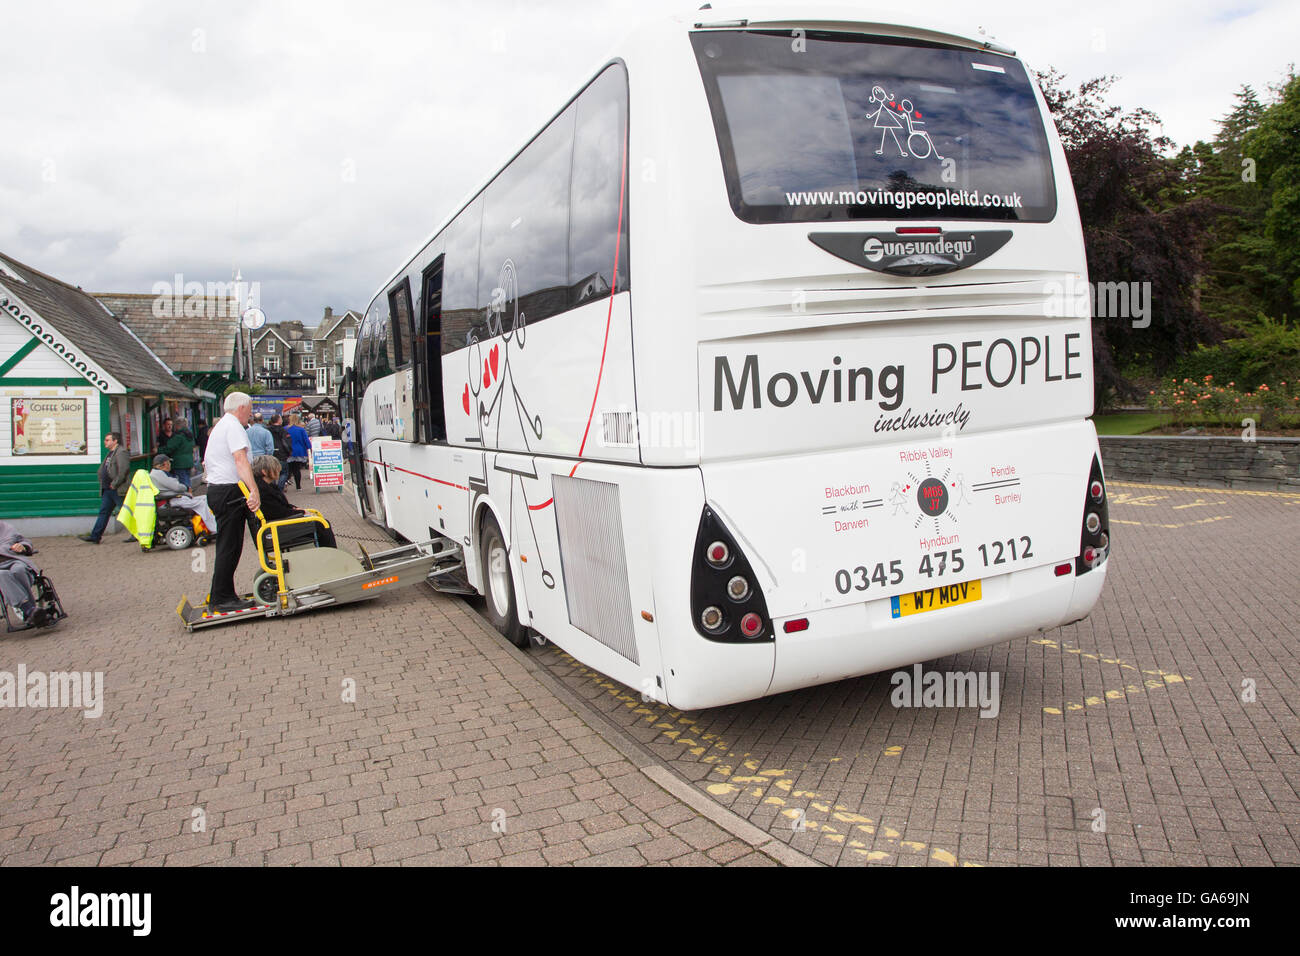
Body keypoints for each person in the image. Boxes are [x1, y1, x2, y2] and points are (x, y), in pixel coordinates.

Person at [203, 392, 261, 611]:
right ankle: (221, 598)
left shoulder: (222, 426)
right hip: (229, 491)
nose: (251, 413)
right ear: (242, 408)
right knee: (230, 546)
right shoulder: (234, 426)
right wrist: (253, 490)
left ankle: (223, 593)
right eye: (250, 409)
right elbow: (240, 459)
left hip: (220, 489)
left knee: (230, 545)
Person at [251, 455, 337, 550]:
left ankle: (328, 553)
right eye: (275, 468)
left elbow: (280, 508)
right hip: (278, 528)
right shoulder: (263, 490)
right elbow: (278, 512)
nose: (279, 470)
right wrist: (301, 512)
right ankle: (331, 554)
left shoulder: (263, 486)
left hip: (277, 524)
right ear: (264, 471)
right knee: (321, 524)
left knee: (320, 523)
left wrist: (295, 509)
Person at [0, 519, 56, 628]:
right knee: (2, 575)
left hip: (14, 560)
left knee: (19, 570)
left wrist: (23, 546)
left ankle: (30, 612)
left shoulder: (5, 527)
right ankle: (29, 610)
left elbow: (24, 541)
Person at [79, 432, 131, 544]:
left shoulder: (121, 452)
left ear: (115, 441)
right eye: (105, 440)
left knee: (126, 511)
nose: (105, 442)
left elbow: (123, 470)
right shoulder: (110, 453)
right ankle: (95, 536)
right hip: (107, 489)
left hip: (117, 489)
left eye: (107, 440)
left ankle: (137, 533)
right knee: (104, 512)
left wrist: (115, 483)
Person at [149, 454, 217, 534]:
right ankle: (214, 529)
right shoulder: (158, 474)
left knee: (204, 498)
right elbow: (177, 487)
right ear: (164, 464)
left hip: (173, 498)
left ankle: (210, 526)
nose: (170, 465)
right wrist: (185, 488)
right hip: (171, 501)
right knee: (201, 503)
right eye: (168, 463)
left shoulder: (158, 474)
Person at [161, 417, 197, 489]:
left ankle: (186, 497)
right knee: (187, 481)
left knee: (182, 483)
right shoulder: (189, 435)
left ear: (177, 426)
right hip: (188, 462)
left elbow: (169, 448)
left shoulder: (179, 436)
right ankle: (189, 494)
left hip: (180, 463)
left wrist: (158, 450)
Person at [285, 413, 310, 491]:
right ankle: (298, 486)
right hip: (299, 451)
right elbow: (306, 440)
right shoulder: (301, 429)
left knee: (288, 469)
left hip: (288, 451)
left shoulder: (285, 429)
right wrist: (309, 447)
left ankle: (285, 483)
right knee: (296, 469)